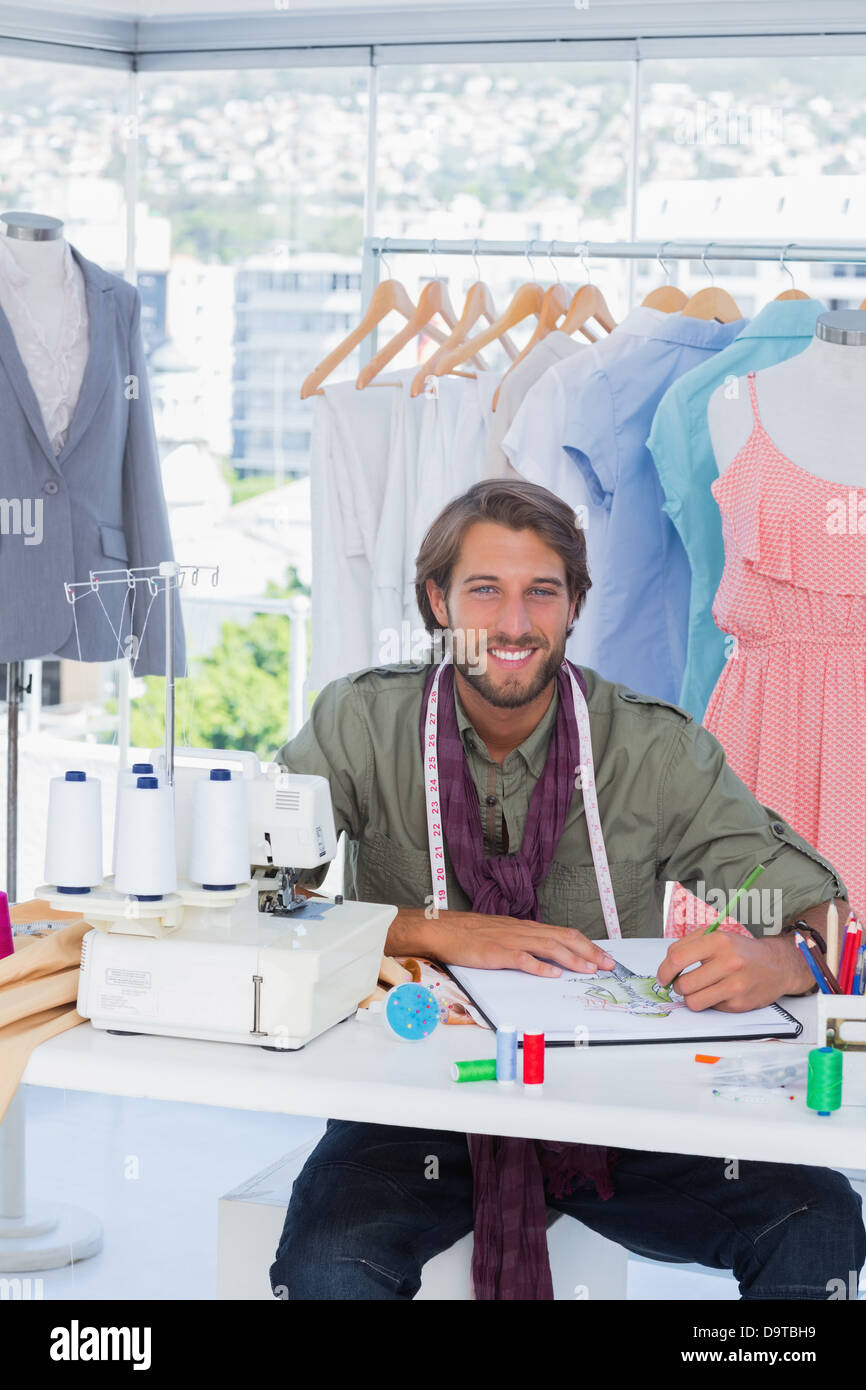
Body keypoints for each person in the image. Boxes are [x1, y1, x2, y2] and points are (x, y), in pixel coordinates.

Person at [269, 478, 865, 1301]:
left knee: (818, 1224)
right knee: (328, 1274)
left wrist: (791, 958)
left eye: (541, 592)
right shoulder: (358, 725)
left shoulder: (650, 748)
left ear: (575, 605)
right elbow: (262, 903)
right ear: (437, 601)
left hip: (617, 1109)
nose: (514, 624)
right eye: (485, 590)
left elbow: (824, 912)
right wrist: (437, 931)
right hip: (418, 1106)